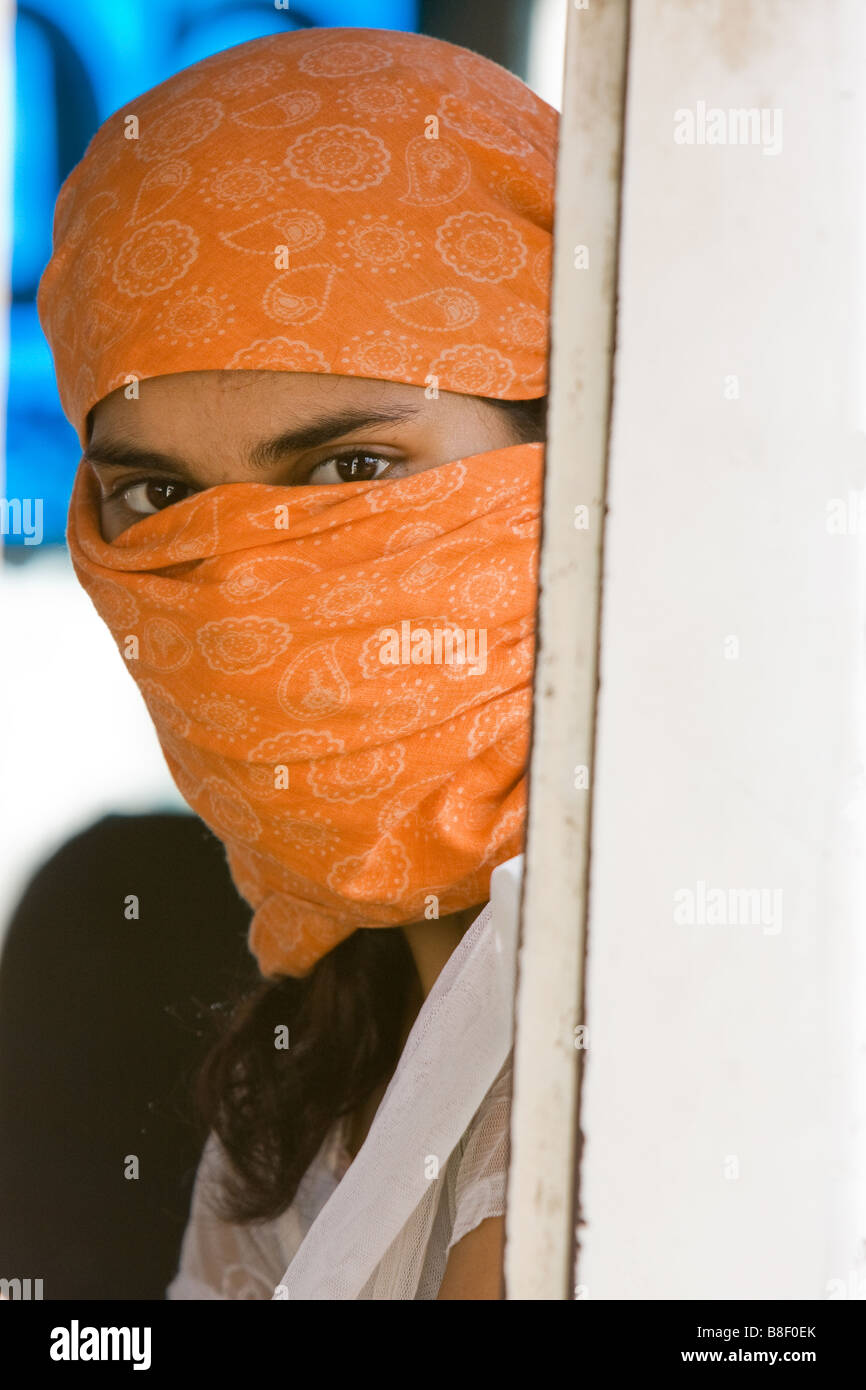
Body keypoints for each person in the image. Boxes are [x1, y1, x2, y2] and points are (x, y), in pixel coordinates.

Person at [36, 24, 557, 1299]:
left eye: (348, 472)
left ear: (576, 448)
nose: (247, 582)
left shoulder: (661, 1043)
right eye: (159, 496)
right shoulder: (297, 1084)